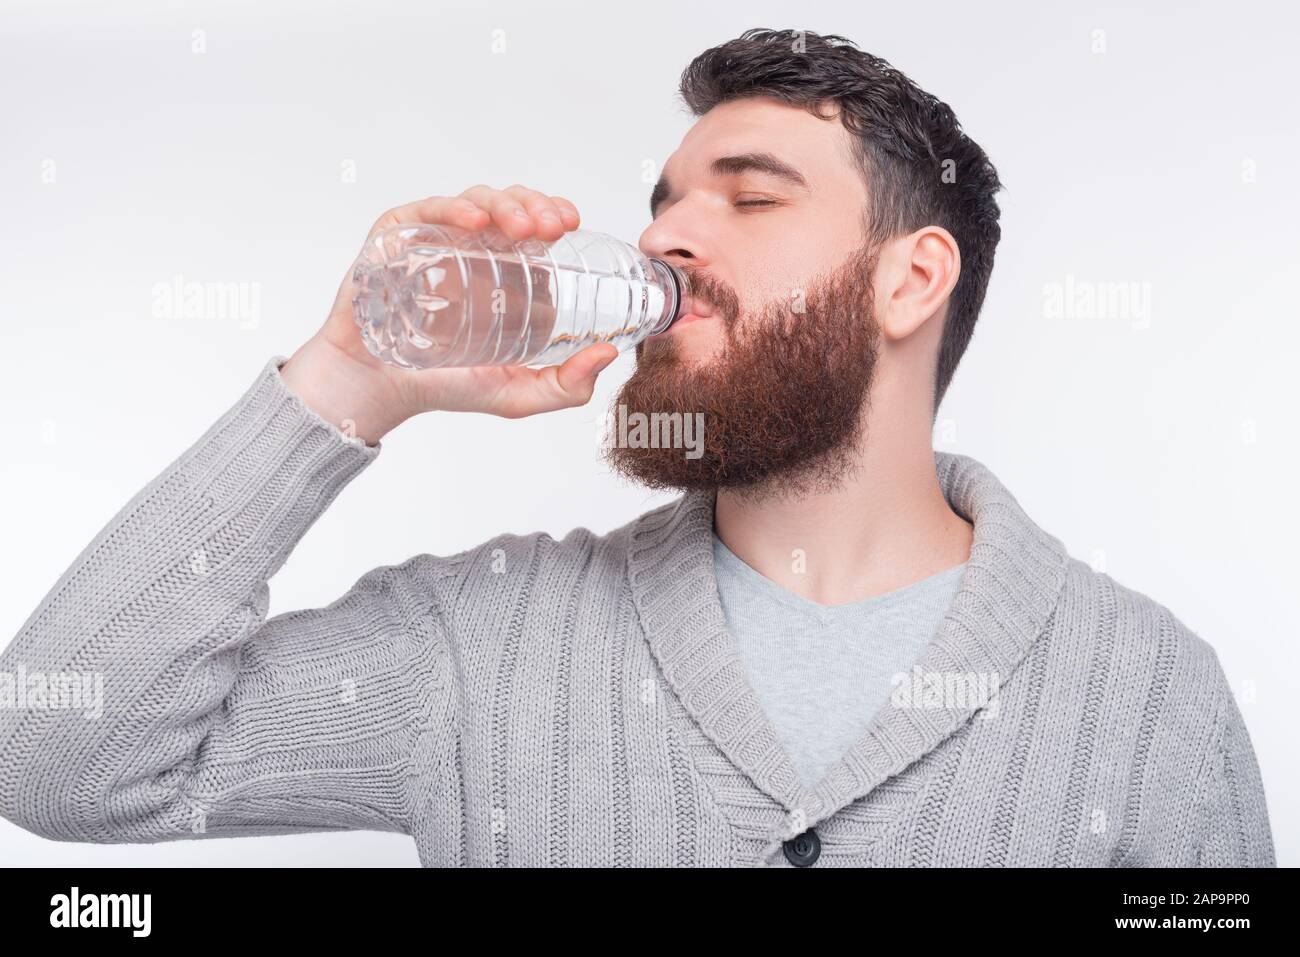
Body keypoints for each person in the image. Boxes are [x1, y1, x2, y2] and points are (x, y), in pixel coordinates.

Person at [0, 29, 1274, 867]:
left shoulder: (1146, 692)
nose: (667, 236)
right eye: (663, 201)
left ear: (910, 281)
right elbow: (60, 756)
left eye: (750, 196)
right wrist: (350, 377)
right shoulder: (483, 642)